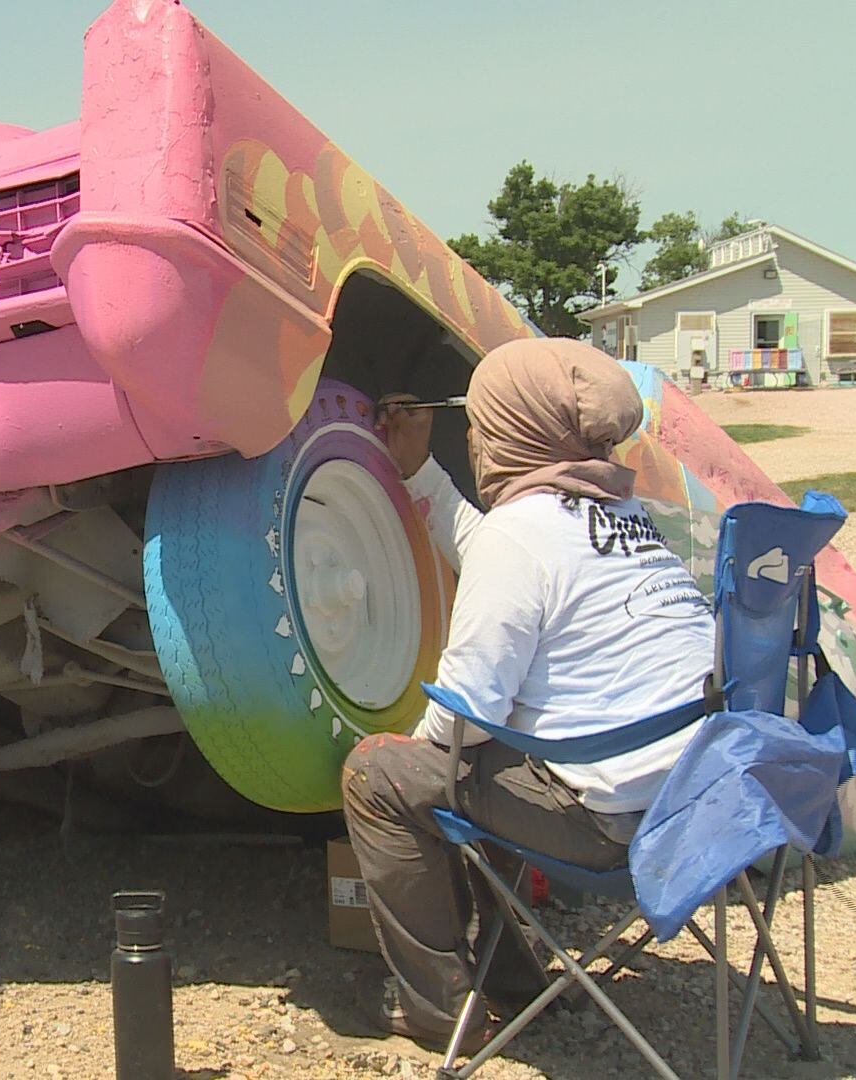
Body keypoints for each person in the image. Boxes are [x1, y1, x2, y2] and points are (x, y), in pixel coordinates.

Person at [344, 338, 714, 1050]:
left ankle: (436, 1007)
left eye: (481, 426)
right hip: (693, 806)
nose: (476, 441)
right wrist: (418, 469)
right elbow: (506, 556)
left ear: (520, 432)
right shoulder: (625, 522)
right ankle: (511, 976)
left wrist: (418, 768)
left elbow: (461, 724)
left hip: (609, 826)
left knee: (384, 775)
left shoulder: (524, 534)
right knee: (495, 763)